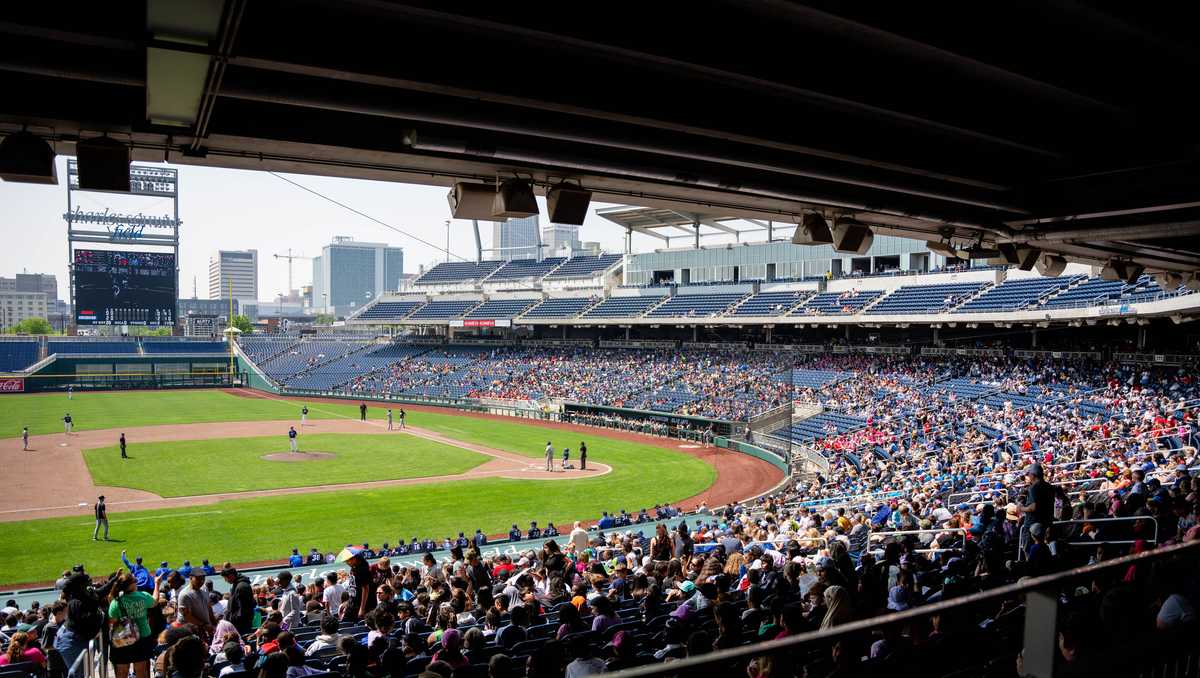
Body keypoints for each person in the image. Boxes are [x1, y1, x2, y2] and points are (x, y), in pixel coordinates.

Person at [108, 571, 158, 678]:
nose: (137, 582)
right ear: (131, 585)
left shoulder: (116, 602)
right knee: (141, 670)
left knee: (122, 672)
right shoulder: (143, 596)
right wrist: (157, 584)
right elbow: (155, 601)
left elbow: (112, 622)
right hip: (143, 638)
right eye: (135, 581)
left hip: (122, 639)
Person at [221, 567, 256, 635]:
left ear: (231, 576)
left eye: (225, 578)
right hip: (239, 624)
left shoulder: (241, 587)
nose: (225, 581)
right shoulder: (237, 584)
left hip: (241, 626)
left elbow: (243, 611)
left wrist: (232, 619)